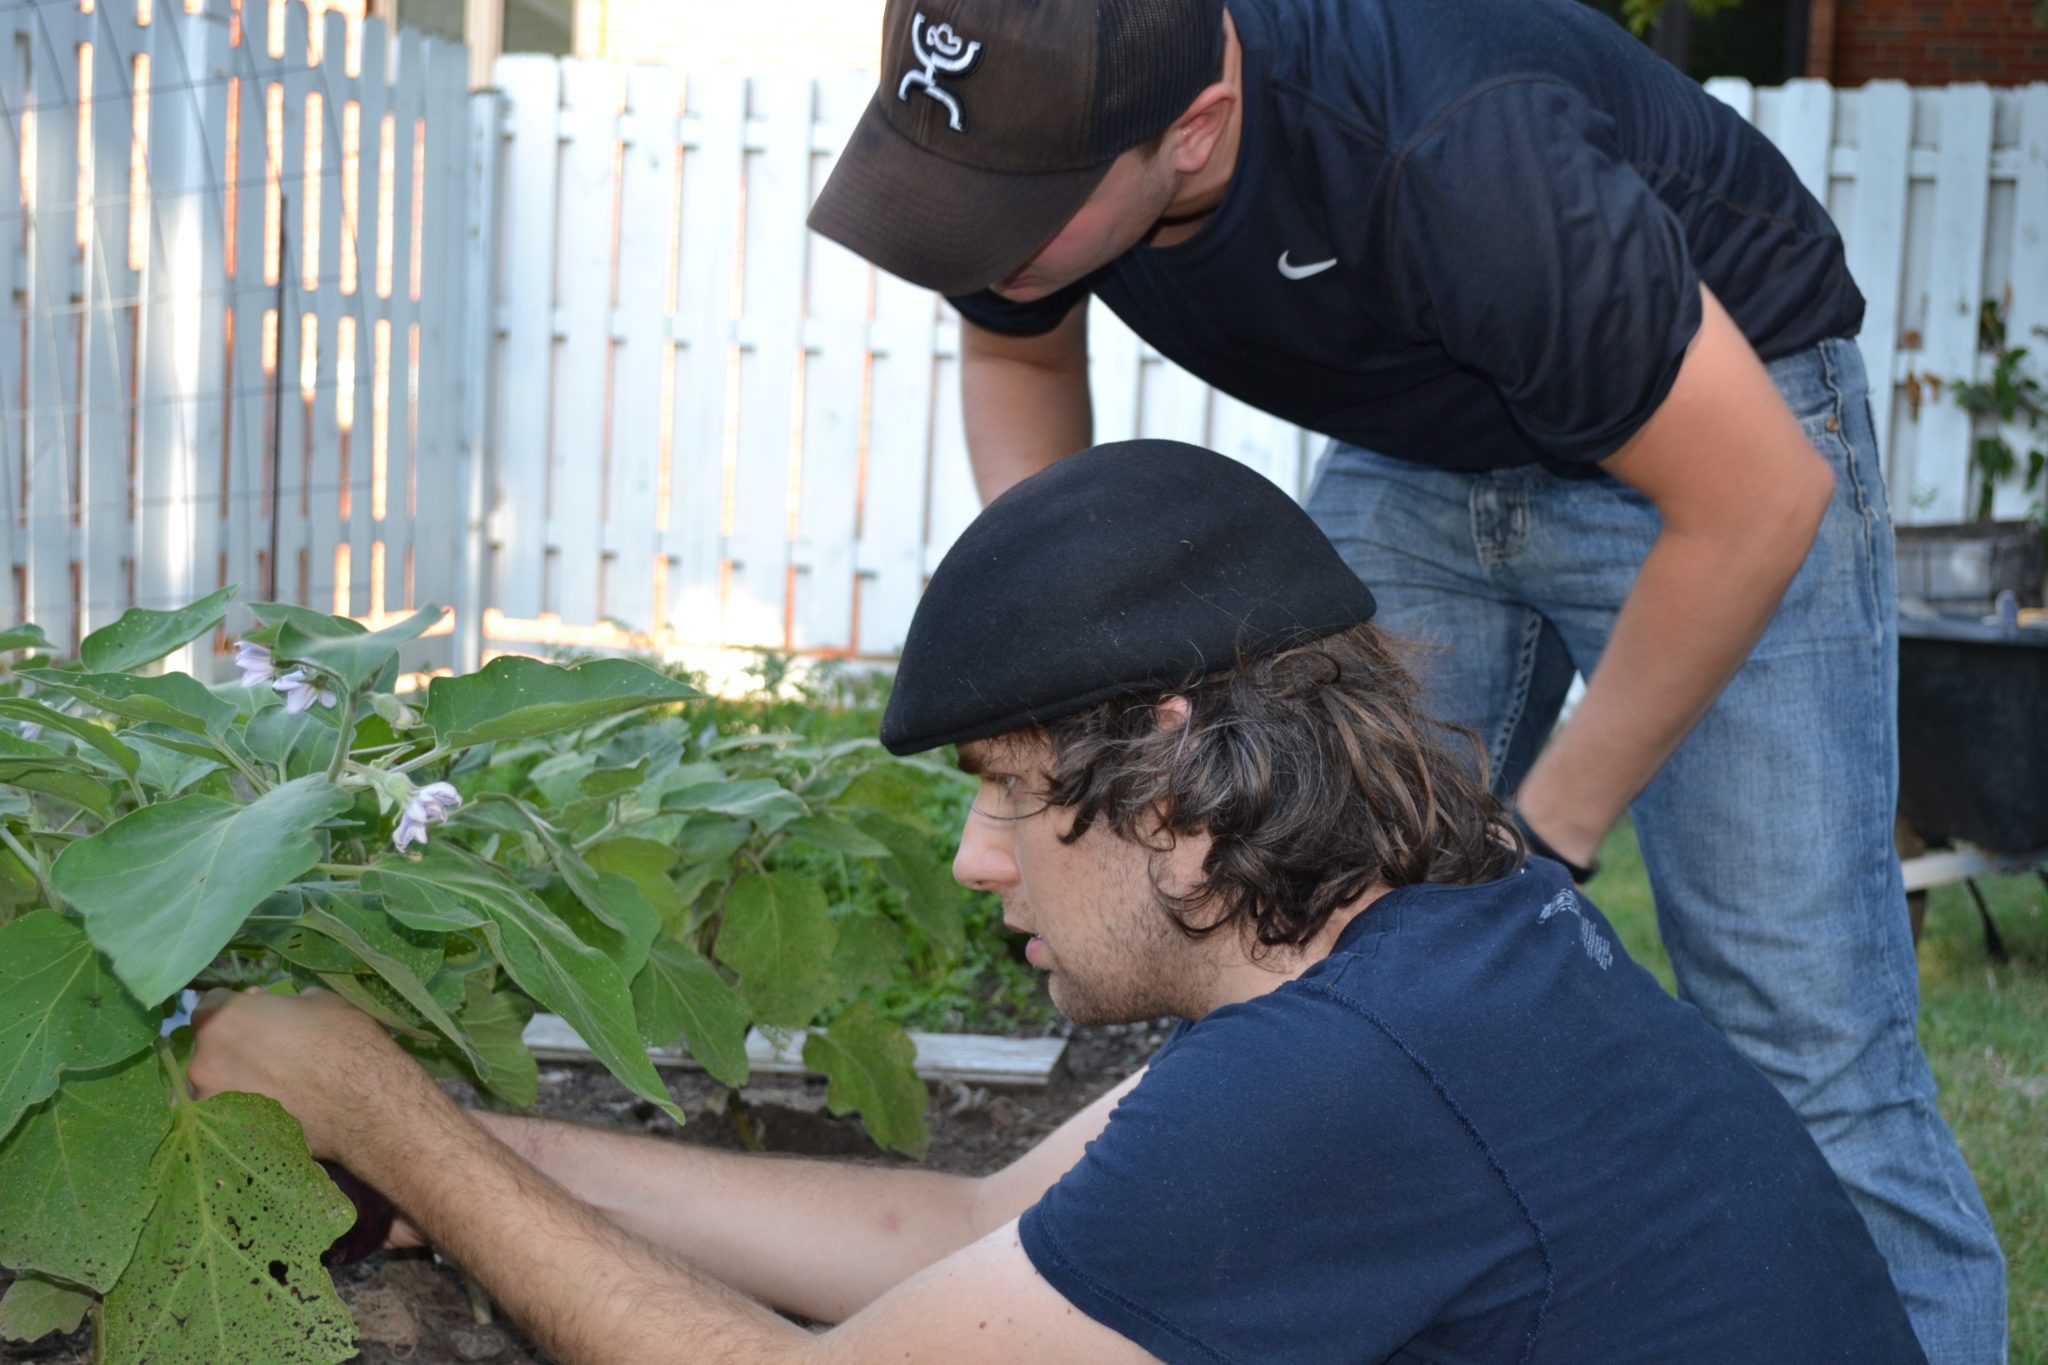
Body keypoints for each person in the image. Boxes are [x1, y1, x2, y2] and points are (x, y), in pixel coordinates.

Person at [804, 0, 2007, 1356]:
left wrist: (1545, 832)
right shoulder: (1047, 109)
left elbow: (1757, 499)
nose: (971, 243)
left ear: (1193, 134)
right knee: (1283, 906)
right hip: (1421, 443)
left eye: (1008, 212)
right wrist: (1066, 650)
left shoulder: (1459, 152)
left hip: (1715, 430)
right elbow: (1016, 347)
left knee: (1808, 1035)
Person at [192, 440, 1930, 1364]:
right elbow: (950, 1243)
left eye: (1008, 794)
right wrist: (487, 1150)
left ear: (1169, 766)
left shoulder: (1345, 1080)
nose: (974, 857)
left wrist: (390, 1122)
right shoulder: (1433, 947)